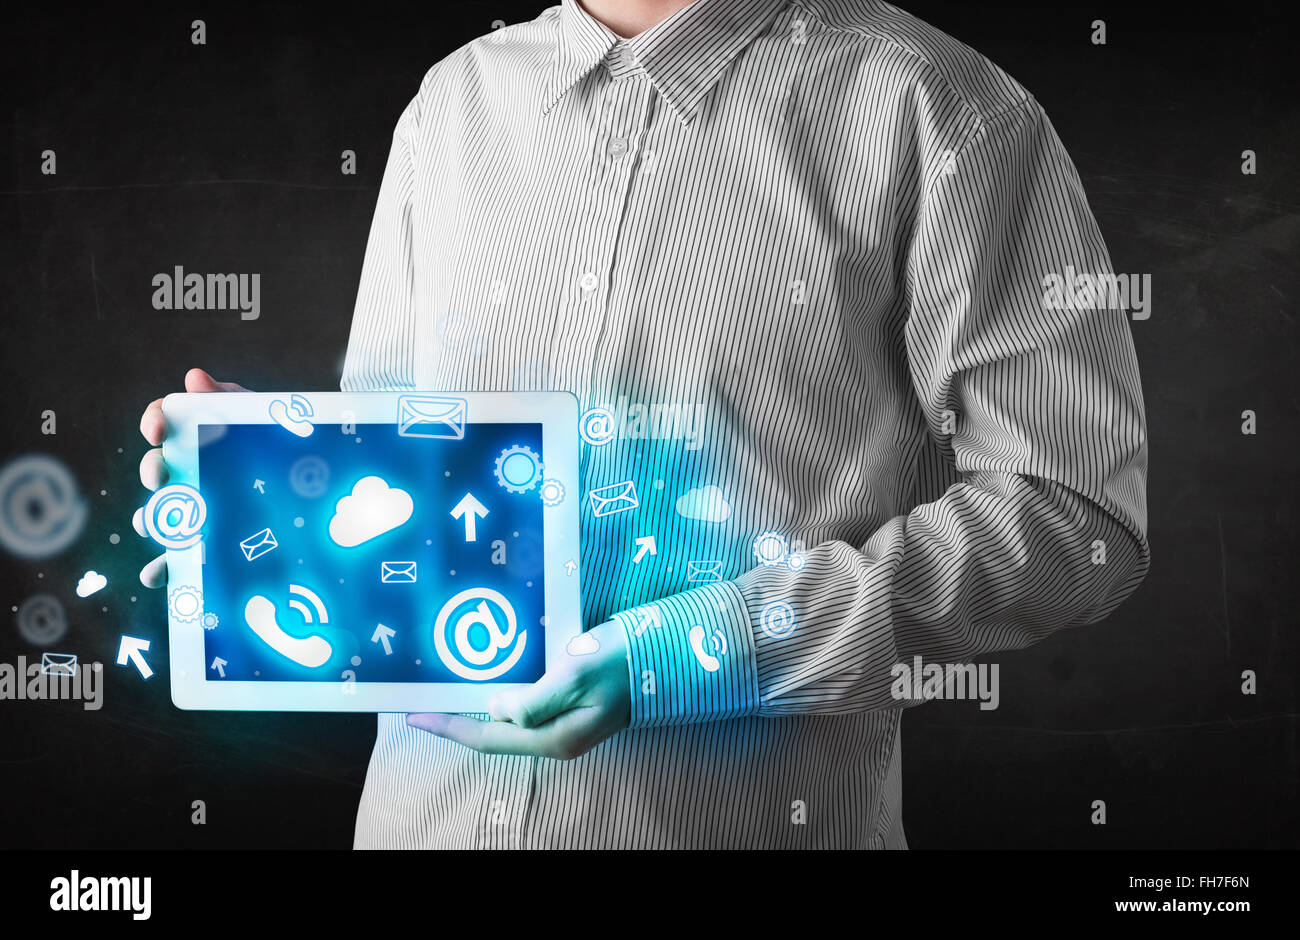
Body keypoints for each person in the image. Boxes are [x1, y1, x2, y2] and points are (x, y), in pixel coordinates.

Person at [137, 0, 1149, 848]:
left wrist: (688, 653)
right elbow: (404, 502)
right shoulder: (450, 107)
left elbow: (1076, 519)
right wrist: (261, 503)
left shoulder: (938, 110)